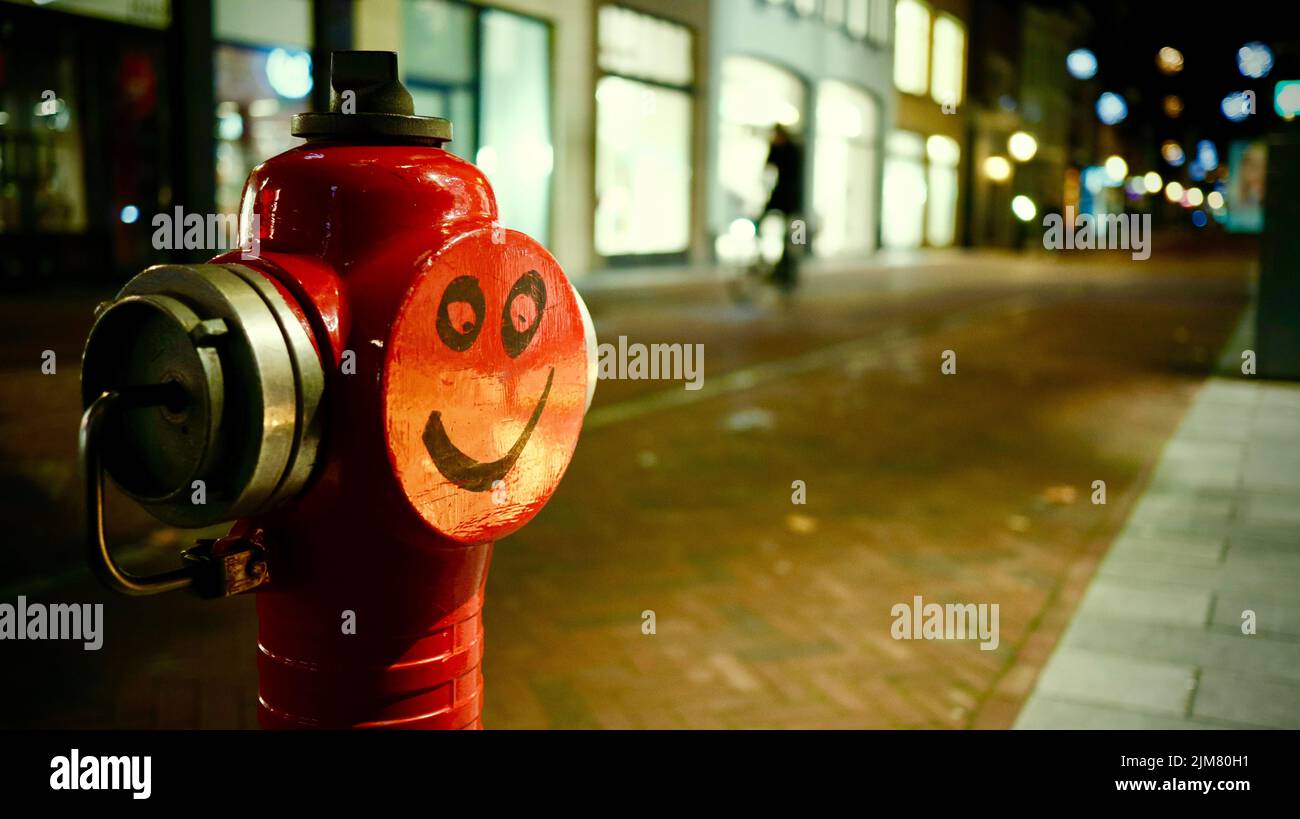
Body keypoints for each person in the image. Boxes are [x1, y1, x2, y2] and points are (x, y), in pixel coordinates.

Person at [763, 124, 805, 291]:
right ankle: (777, 269)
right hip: (779, 200)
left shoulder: (794, 150)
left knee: (795, 239)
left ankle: (790, 273)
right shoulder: (776, 149)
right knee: (770, 225)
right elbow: (767, 169)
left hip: (794, 204)